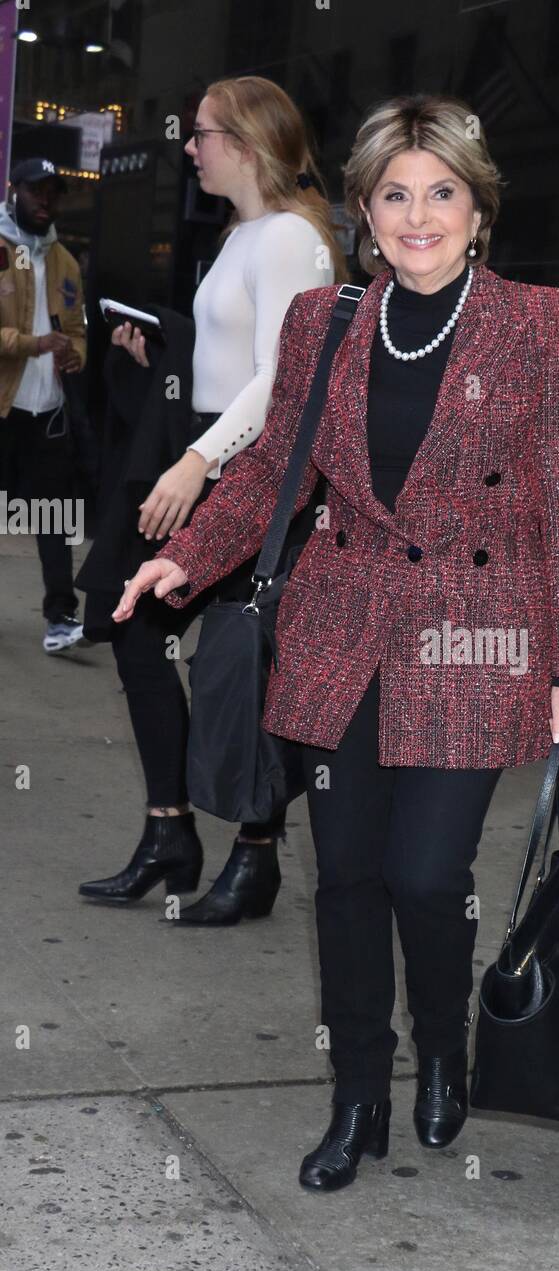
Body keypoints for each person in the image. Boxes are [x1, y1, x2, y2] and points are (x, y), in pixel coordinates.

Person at [114, 93, 559, 1192]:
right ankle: (358, 1100)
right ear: (366, 208)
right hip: (344, 631)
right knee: (345, 880)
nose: (417, 215)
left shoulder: (538, 326)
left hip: (474, 640)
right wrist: (188, 558)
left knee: (427, 878)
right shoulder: (324, 321)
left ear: (478, 211)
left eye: (442, 194)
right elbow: (273, 475)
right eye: (395, 194)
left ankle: (443, 1048)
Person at [76, 76, 344, 924]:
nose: (188, 148)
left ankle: (256, 853)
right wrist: (159, 347)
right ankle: (170, 830)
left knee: (245, 665)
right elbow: (230, 355)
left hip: (258, 479)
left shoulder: (291, 240)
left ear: (249, 140)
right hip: (214, 462)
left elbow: (283, 377)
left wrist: (197, 459)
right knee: (136, 629)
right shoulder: (242, 234)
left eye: (201, 134)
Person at [0, 158, 87, 654]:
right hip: (4, 408)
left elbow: (77, 331)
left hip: (49, 412)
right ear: (14, 190)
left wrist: (77, 354)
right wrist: (32, 344)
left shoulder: (66, 263)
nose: (45, 200)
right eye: (35, 190)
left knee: (52, 517)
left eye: (53, 192)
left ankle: (61, 618)